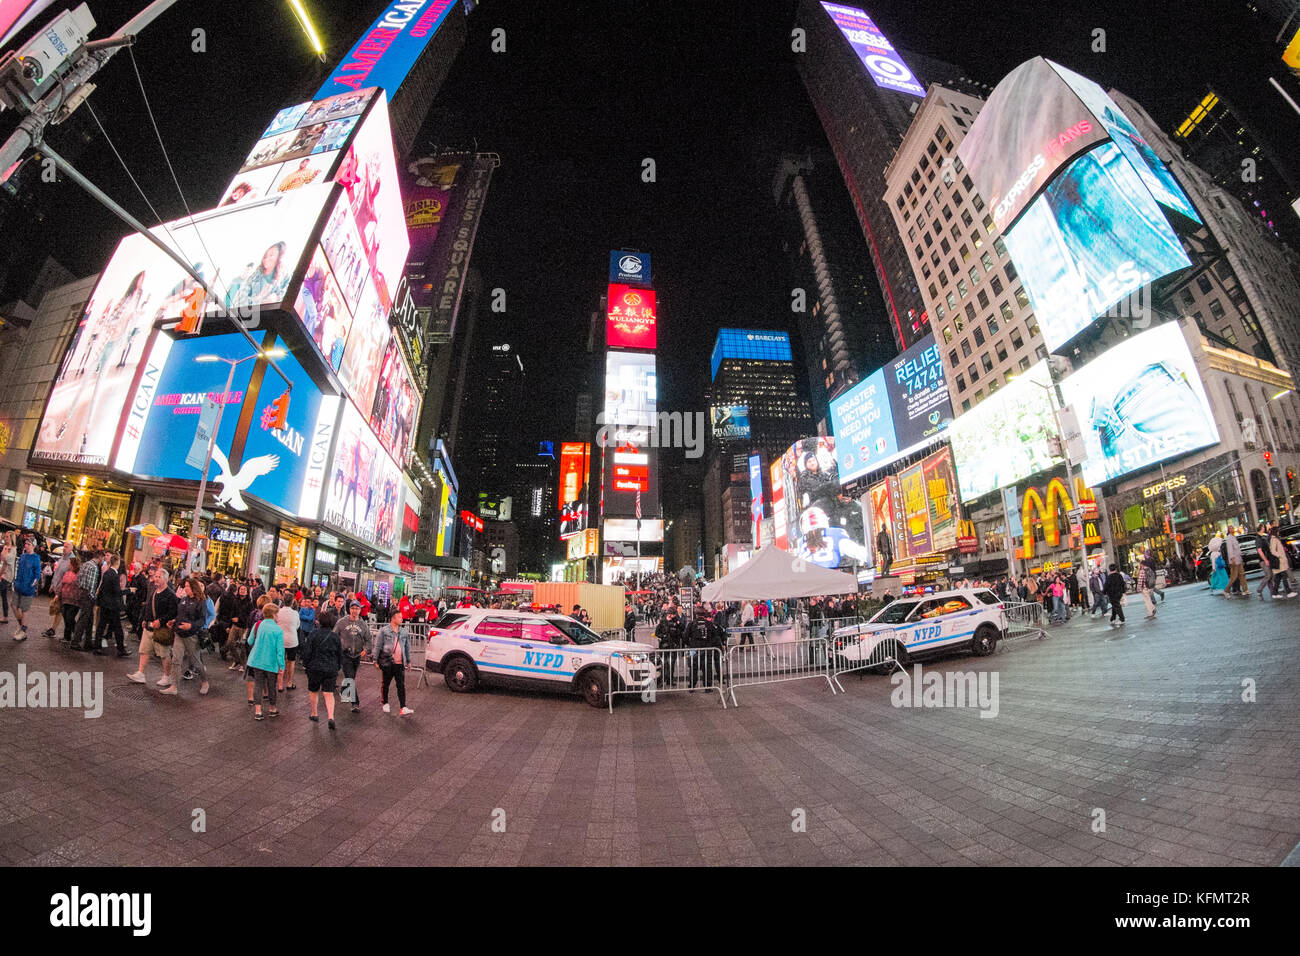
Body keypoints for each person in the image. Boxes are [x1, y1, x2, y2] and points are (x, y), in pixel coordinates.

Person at [126, 567, 179, 687]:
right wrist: (145, 619)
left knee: (163, 654)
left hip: (161, 630)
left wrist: (161, 621)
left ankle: (166, 676)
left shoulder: (170, 595)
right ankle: (140, 673)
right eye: (155, 576)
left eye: (159, 577)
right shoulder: (154, 591)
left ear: (165, 579)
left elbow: (172, 612)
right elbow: (148, 606)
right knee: (144, 650)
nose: (156, 579)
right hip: (149, 627)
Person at [300, 608, 342, 728]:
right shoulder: (335, 637)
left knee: (313, 691)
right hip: (330, 668)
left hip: (314, 667)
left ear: (320, 622)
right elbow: (339, 654)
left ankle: (314, 713)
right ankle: (331, 716)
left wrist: (305, 664)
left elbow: (307, 650)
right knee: (329, 693)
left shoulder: (314, 634)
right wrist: (338, 667)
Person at [171, 577, 210, 695]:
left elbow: (202, 620)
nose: (185, 589)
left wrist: (191, 626)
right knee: (176, 660)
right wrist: (174, 622)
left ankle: (205, 682)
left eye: (188, 587)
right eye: (185, 586)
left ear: (194, 588)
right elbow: (180, 615)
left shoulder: (201, 601)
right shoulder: (184, 599)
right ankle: (174, 686)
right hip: (179, 633)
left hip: (191, 636)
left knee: (196, 661)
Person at [246, 605, 285, 720]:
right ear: (273, 615)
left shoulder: (258, 624)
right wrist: (281, 665)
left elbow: (249, 641)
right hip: (271, 662)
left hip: (257, 660)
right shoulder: (278, 630)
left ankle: (258, 711)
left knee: (258, 684)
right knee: (271, 685)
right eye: (277, 614)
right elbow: (280, 651)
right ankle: (272, 708)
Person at [372, 611, 414, 716]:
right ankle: (385, 702)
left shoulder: (404, 632)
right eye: (399, 617)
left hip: (400, 663)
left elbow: (407, 647)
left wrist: (408, 661)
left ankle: (403, 707)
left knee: (401, 685)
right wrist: (375, 659)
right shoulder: (384, 631)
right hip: (387, 662)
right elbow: (378, 645)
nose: (402, 619)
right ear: (393, 618)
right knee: (385, 684)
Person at [335, 601, 372, 713]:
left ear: (360, 610)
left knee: (351, 677)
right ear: (349, 609)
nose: (354, 611)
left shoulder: (363, 624)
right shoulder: (341, 622)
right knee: (350, 677)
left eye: (357, 608)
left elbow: (369, 639)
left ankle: (344, 691)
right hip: (345, 654)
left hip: (357, 655)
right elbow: (334, 635)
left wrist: (366, 649)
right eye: (352, 608)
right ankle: (355, 703)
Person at [94, 553, 126, 657]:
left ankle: (97, 647)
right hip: (112, 606)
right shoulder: (114, 575)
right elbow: (117, 592)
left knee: (101, 626)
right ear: (117, 563)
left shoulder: (107, 572)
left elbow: (102, 588)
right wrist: (129, 591)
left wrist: (99, 602)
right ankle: (121, 649)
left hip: (105, 604)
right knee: (117, 628)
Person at [10, 536, 42, 641]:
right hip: (18, 586)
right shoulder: (23, 556)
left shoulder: (36, 558)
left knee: (24, 610)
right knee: (14, 606)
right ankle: (21, 626)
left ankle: (23, 631)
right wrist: (14, 582)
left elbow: (37, 574)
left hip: (28, 589)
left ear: (33, 546)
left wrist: (32, 584)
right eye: (26, 543)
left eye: (28, 544)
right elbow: (18, 570)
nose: (26, 545)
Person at [70, 549, 102, 651]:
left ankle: (88, 641)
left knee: (89, 619)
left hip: (82, 592)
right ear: (100, 557)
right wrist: (93, 596)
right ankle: (75, 641)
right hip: (88, 595)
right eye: (103, 558)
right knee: (83, 618)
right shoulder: (94, 567)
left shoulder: (85, 564)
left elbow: (79, 579)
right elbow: (92, 584)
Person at [654, 607, 684, 686]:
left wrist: (678, 623)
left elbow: (681, 629)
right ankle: (661, 681)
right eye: (673, 614)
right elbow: (657, 633)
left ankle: (669, 680)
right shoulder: (662, 622)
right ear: (669, 614)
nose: (674, 616)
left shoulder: (676, 621)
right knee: (663, 664)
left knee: (672, 664)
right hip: (664, 646)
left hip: (673, 645)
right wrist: (663, 636)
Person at [276, 599, 301, 692]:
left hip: (280, 639)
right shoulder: (295, 613)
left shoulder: (278, 612)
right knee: (291, 662)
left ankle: (280, 684)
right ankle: (289, 682)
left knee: (280, 660)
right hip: (292, 640)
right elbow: (297, 625)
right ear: (292, 603)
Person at [1268, 526, 1296, 598]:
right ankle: (1288, 592)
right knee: (1284, 576)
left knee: (1278, 577)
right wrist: (1280, 556)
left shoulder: (1275, 539)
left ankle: (1275, 593)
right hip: (1280, 561)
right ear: (1275, 532)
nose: (1279, 532)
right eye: (1278, 531)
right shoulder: (1274, 539)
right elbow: (1273, 551)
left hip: (1280, 561)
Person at [1223, 529, 1246, 598]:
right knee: (1234, 576)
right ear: (1229, 530)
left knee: (1242, 574)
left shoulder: (1234, 537)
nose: (1233, 529)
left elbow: (1237, 549)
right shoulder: (1229, 538)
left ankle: (1245, 590)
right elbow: (1230, 550)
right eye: (1231, 528)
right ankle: (1226, 590)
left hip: (1238, 559)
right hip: (1235, 560)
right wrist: (1232, 559)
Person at [1103, 563, 1127, 627]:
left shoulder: (1109, 577)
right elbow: (1123, 584)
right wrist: (1123, 592)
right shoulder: (1119, 576)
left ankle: (1122, 619)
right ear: (1116, 569)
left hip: (1111, 594)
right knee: (1115, 606)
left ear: (1110, 569)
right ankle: (1112, 619)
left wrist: (1104, 593)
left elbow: (1106, 586)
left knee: (1117, 606)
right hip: (1118, 593)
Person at [1136, 553, 1158, 621]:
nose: (1140, 565)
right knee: (1148, 599)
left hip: (1145, 588)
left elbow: (1140, 580)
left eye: (1140, 564)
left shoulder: (1142, 571)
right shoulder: (1149, 569)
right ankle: (1152, 609)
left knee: (1147, 600)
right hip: (1150, 587)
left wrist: (1138, 588)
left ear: (1142, 564)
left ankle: (1151, 612)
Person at [0, 531, 15, 626]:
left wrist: (5, 553)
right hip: (2, 573)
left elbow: (7, 559)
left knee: (2, 593)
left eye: (7, 537)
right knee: (4, 595)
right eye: (5, 537)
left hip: (8, 575)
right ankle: (5, 616)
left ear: (11, 538)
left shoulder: (13, 549)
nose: (5, 539)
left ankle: (5, 616)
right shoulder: (6, 547)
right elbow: (2, 558)